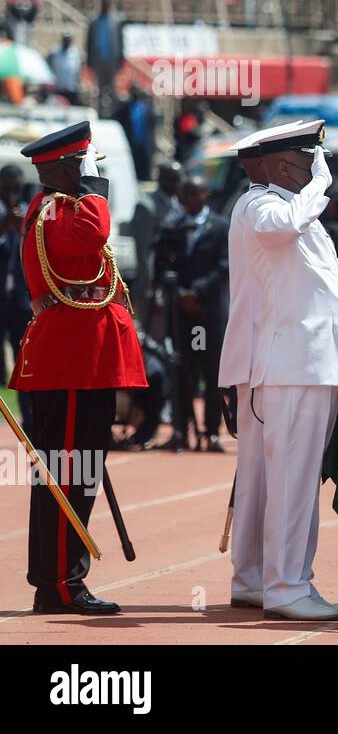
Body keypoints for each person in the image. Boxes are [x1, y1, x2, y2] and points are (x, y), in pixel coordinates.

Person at [218, 119, 338, 621]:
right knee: (292, 479)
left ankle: (255, 577)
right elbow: (281, 229)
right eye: (308, 161)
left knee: (264, 479)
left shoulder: (281, 208)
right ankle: (287, 586)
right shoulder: (265, 205)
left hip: (289, 363)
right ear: (281, 166)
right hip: (294, 365)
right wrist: (321, 184)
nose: (316, 170)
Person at [10, 121, 147, 614]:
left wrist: (86, 186)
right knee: (69, 472)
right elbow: (93, 233)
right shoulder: (57, 213)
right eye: (85, 165)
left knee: (77, 470)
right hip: (70, 359)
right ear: (66, 167)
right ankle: (60, 584)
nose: (92, 176)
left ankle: (58, 578)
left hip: (83, 359)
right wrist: (92, 191)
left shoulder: (62, 209)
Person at [173, 177, 229, 453]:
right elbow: (165, 265)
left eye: (194, 194)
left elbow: (224, 266)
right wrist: (180, 294)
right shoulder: (173, 225)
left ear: (205, 193)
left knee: (212, 373)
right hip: (182, 313)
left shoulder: (220, 226)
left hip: (208, 312)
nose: (189, 200)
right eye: (185, 195)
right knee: (182, 371)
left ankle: (211, 432)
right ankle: (182, 430)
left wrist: (196, 293)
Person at [0, 164, 32, 431]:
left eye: (16, 187)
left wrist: (23, 229)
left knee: (24, 361)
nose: (12, 192)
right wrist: (3, 227)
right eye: (8, 186)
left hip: (20, 300)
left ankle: (28, 418)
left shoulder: (28, 209)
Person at [131, 160, 183, 313]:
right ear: (161, 179)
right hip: (154, 283)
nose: (177, 184)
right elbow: (144, 251)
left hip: (176, 280)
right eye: (173, 180)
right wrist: (149, 287)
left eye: (179, 179)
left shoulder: (178, 203)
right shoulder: (146, 206)